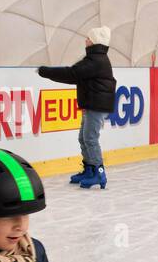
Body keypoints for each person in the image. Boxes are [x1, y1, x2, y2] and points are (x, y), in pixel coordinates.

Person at [38, 27, 115, 190]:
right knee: (83, 137)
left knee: (90, 138)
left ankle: (99, 172)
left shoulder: (96, 61)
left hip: (96, 104)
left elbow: (72, 73)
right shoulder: (95, 59)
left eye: (88, 38)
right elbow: (76, 76)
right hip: (92, 103)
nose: (85, 40)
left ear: (94, 42)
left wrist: (45, 72)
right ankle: (89, 169)